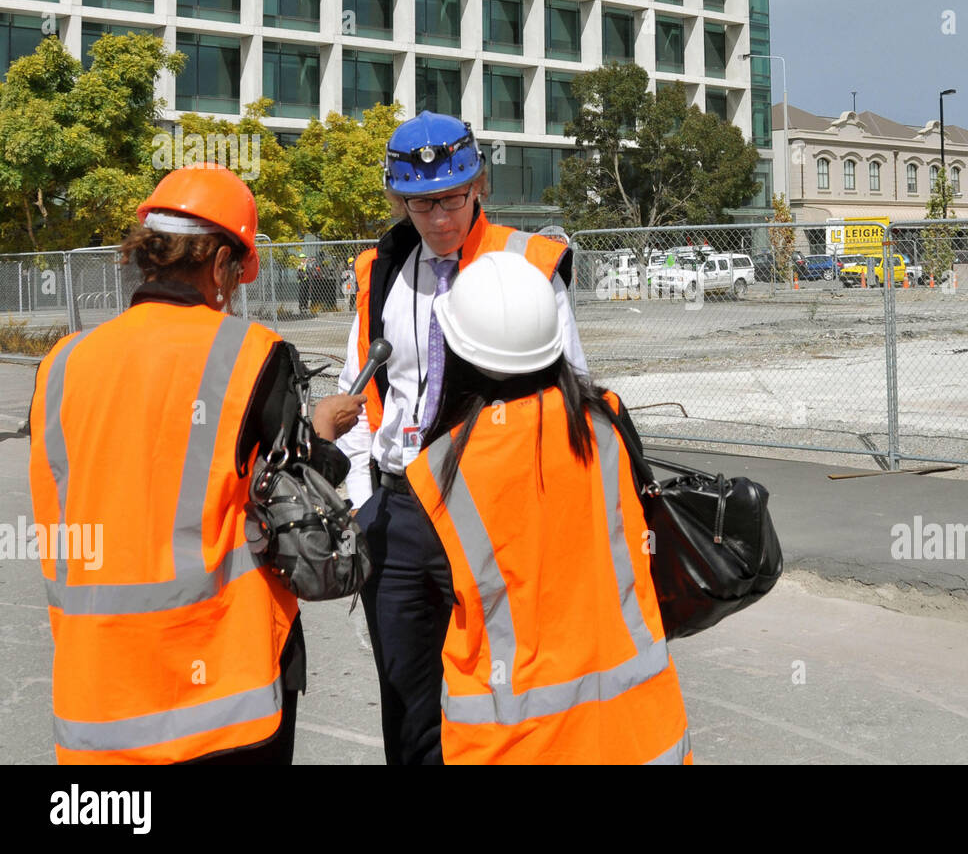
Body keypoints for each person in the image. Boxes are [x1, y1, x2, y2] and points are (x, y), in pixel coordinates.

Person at [27, 165, 365, 765]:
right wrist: (324, 435)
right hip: (223, 688)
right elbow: (302, 499)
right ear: (218, 267)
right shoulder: (252, 354)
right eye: (236, 274)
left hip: (97, 684)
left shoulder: (61, 365)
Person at [336, 110, 587, 764]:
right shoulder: (384, 271)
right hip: (398, 513)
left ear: (478, 185)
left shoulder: (525, 266)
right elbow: (361, 388)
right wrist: (366, 496)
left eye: (450, 198)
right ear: (400, 202)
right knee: (407, 702)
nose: (439, 216)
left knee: (502, 693)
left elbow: (573, 399)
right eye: (421, 204)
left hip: (492, 515)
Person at [406, 252, 691, 764]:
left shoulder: (438, 473)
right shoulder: (607, 422)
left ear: (456, 351)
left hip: (518, 746)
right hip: (644, 733)